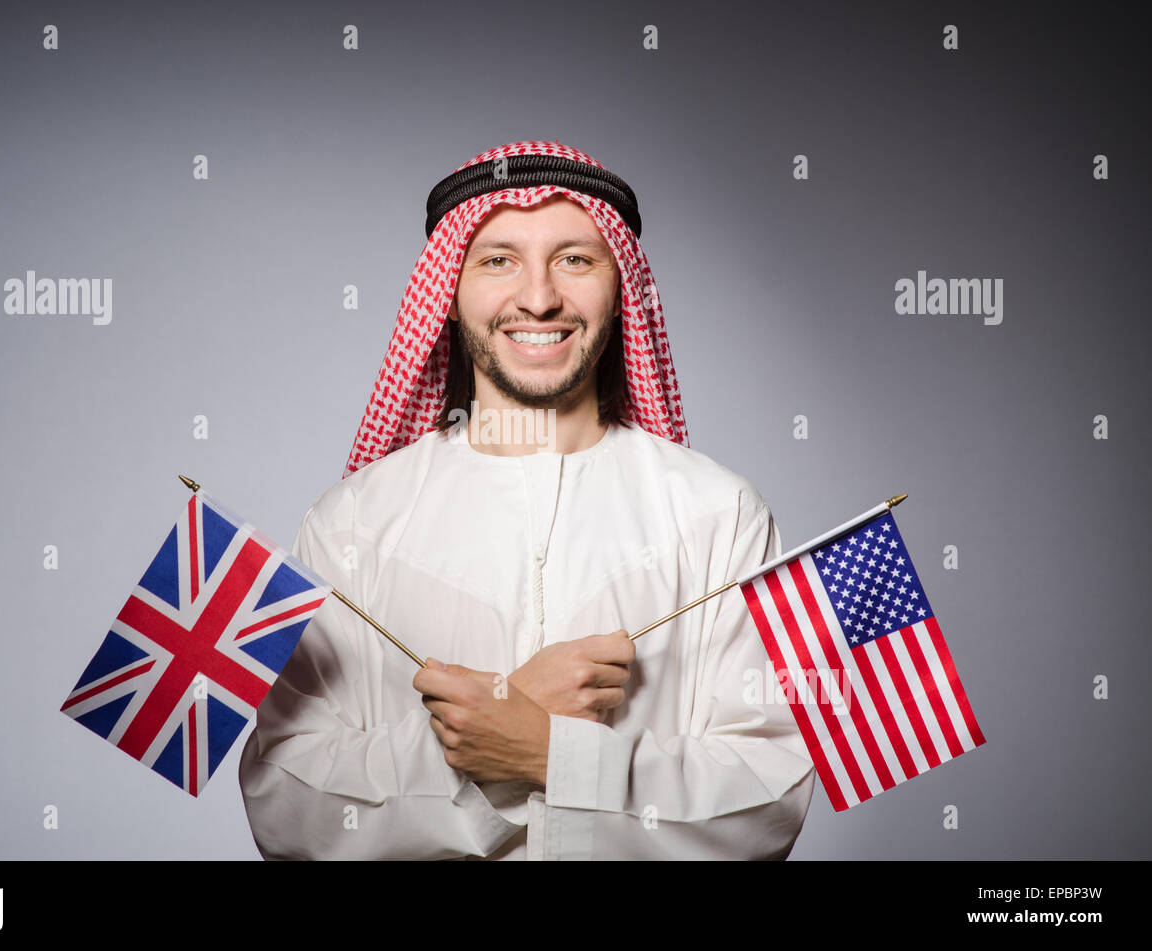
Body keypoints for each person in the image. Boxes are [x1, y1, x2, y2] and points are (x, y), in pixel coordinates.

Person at [238, 141, 815, 859]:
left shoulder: (717, 515)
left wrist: (549, 753)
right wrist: (483, 742)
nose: (538, 297)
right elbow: (288, 806)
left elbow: (770, 792)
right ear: (448, 291)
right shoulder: (353, 522)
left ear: (621, 288)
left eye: (575, 258)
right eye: (497, 259)